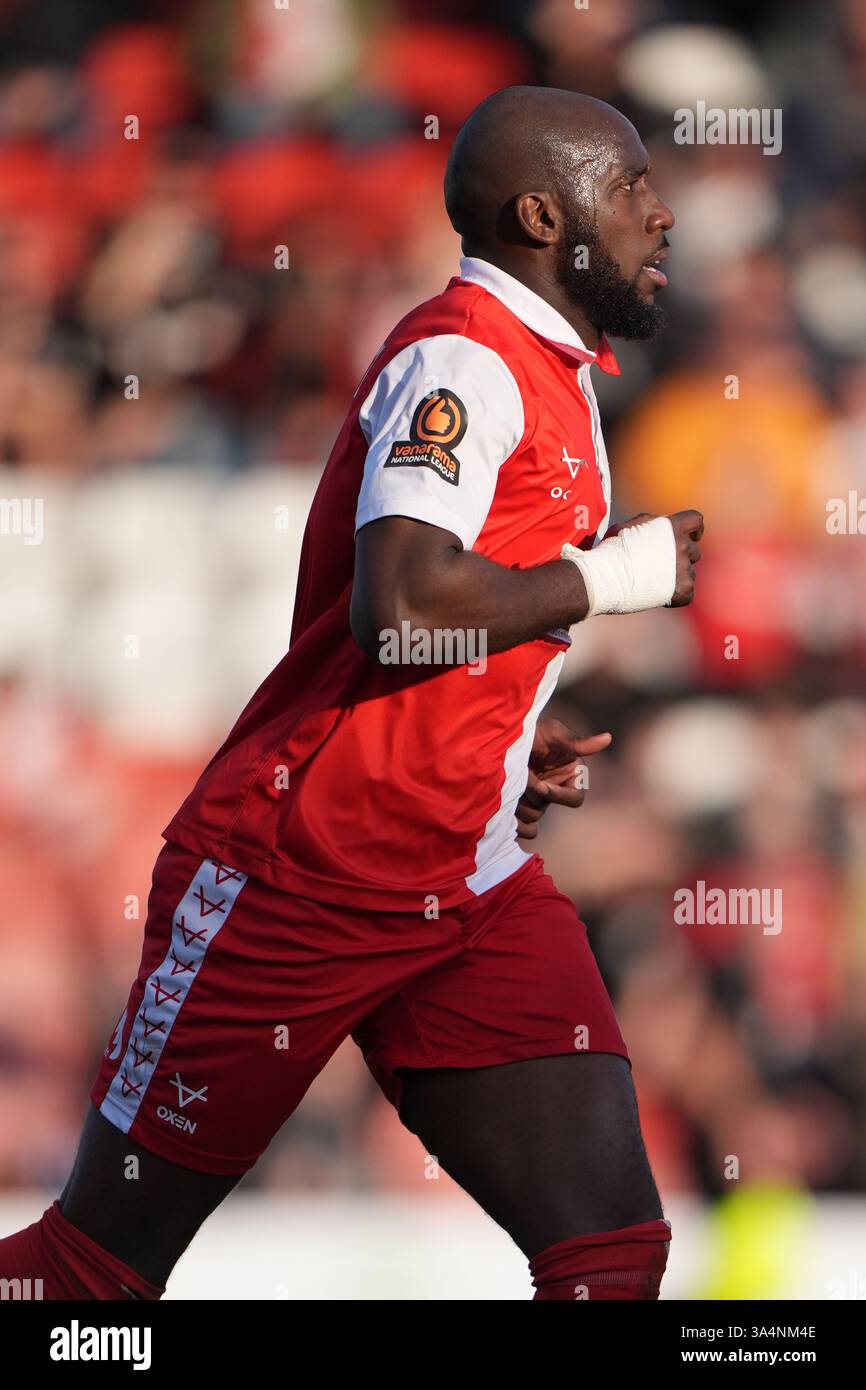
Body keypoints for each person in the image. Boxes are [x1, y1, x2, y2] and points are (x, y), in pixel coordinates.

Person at [0, 86, 703, 1301]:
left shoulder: (549, 367)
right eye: (630, 186)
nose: (662, 215)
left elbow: (437, 629)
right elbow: (405, 606)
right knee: (87, 1276)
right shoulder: (461, 360)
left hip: (468, 883)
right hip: (300, 879)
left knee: (608, 1256)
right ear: (543, 212)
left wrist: (489, 746)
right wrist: (612, 576)